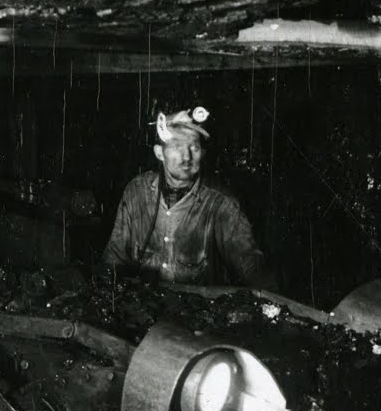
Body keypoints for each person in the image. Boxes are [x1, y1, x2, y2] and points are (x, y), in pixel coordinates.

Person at [101, 106, 272, 289]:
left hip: (196, 305)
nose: (187, 156)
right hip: (144, 302)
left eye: (194, 147)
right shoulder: (137, 191)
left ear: (203, 153)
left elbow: (253, 270)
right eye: (177, 146)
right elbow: (114, 259)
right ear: (159, 153)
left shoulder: (221, 203)